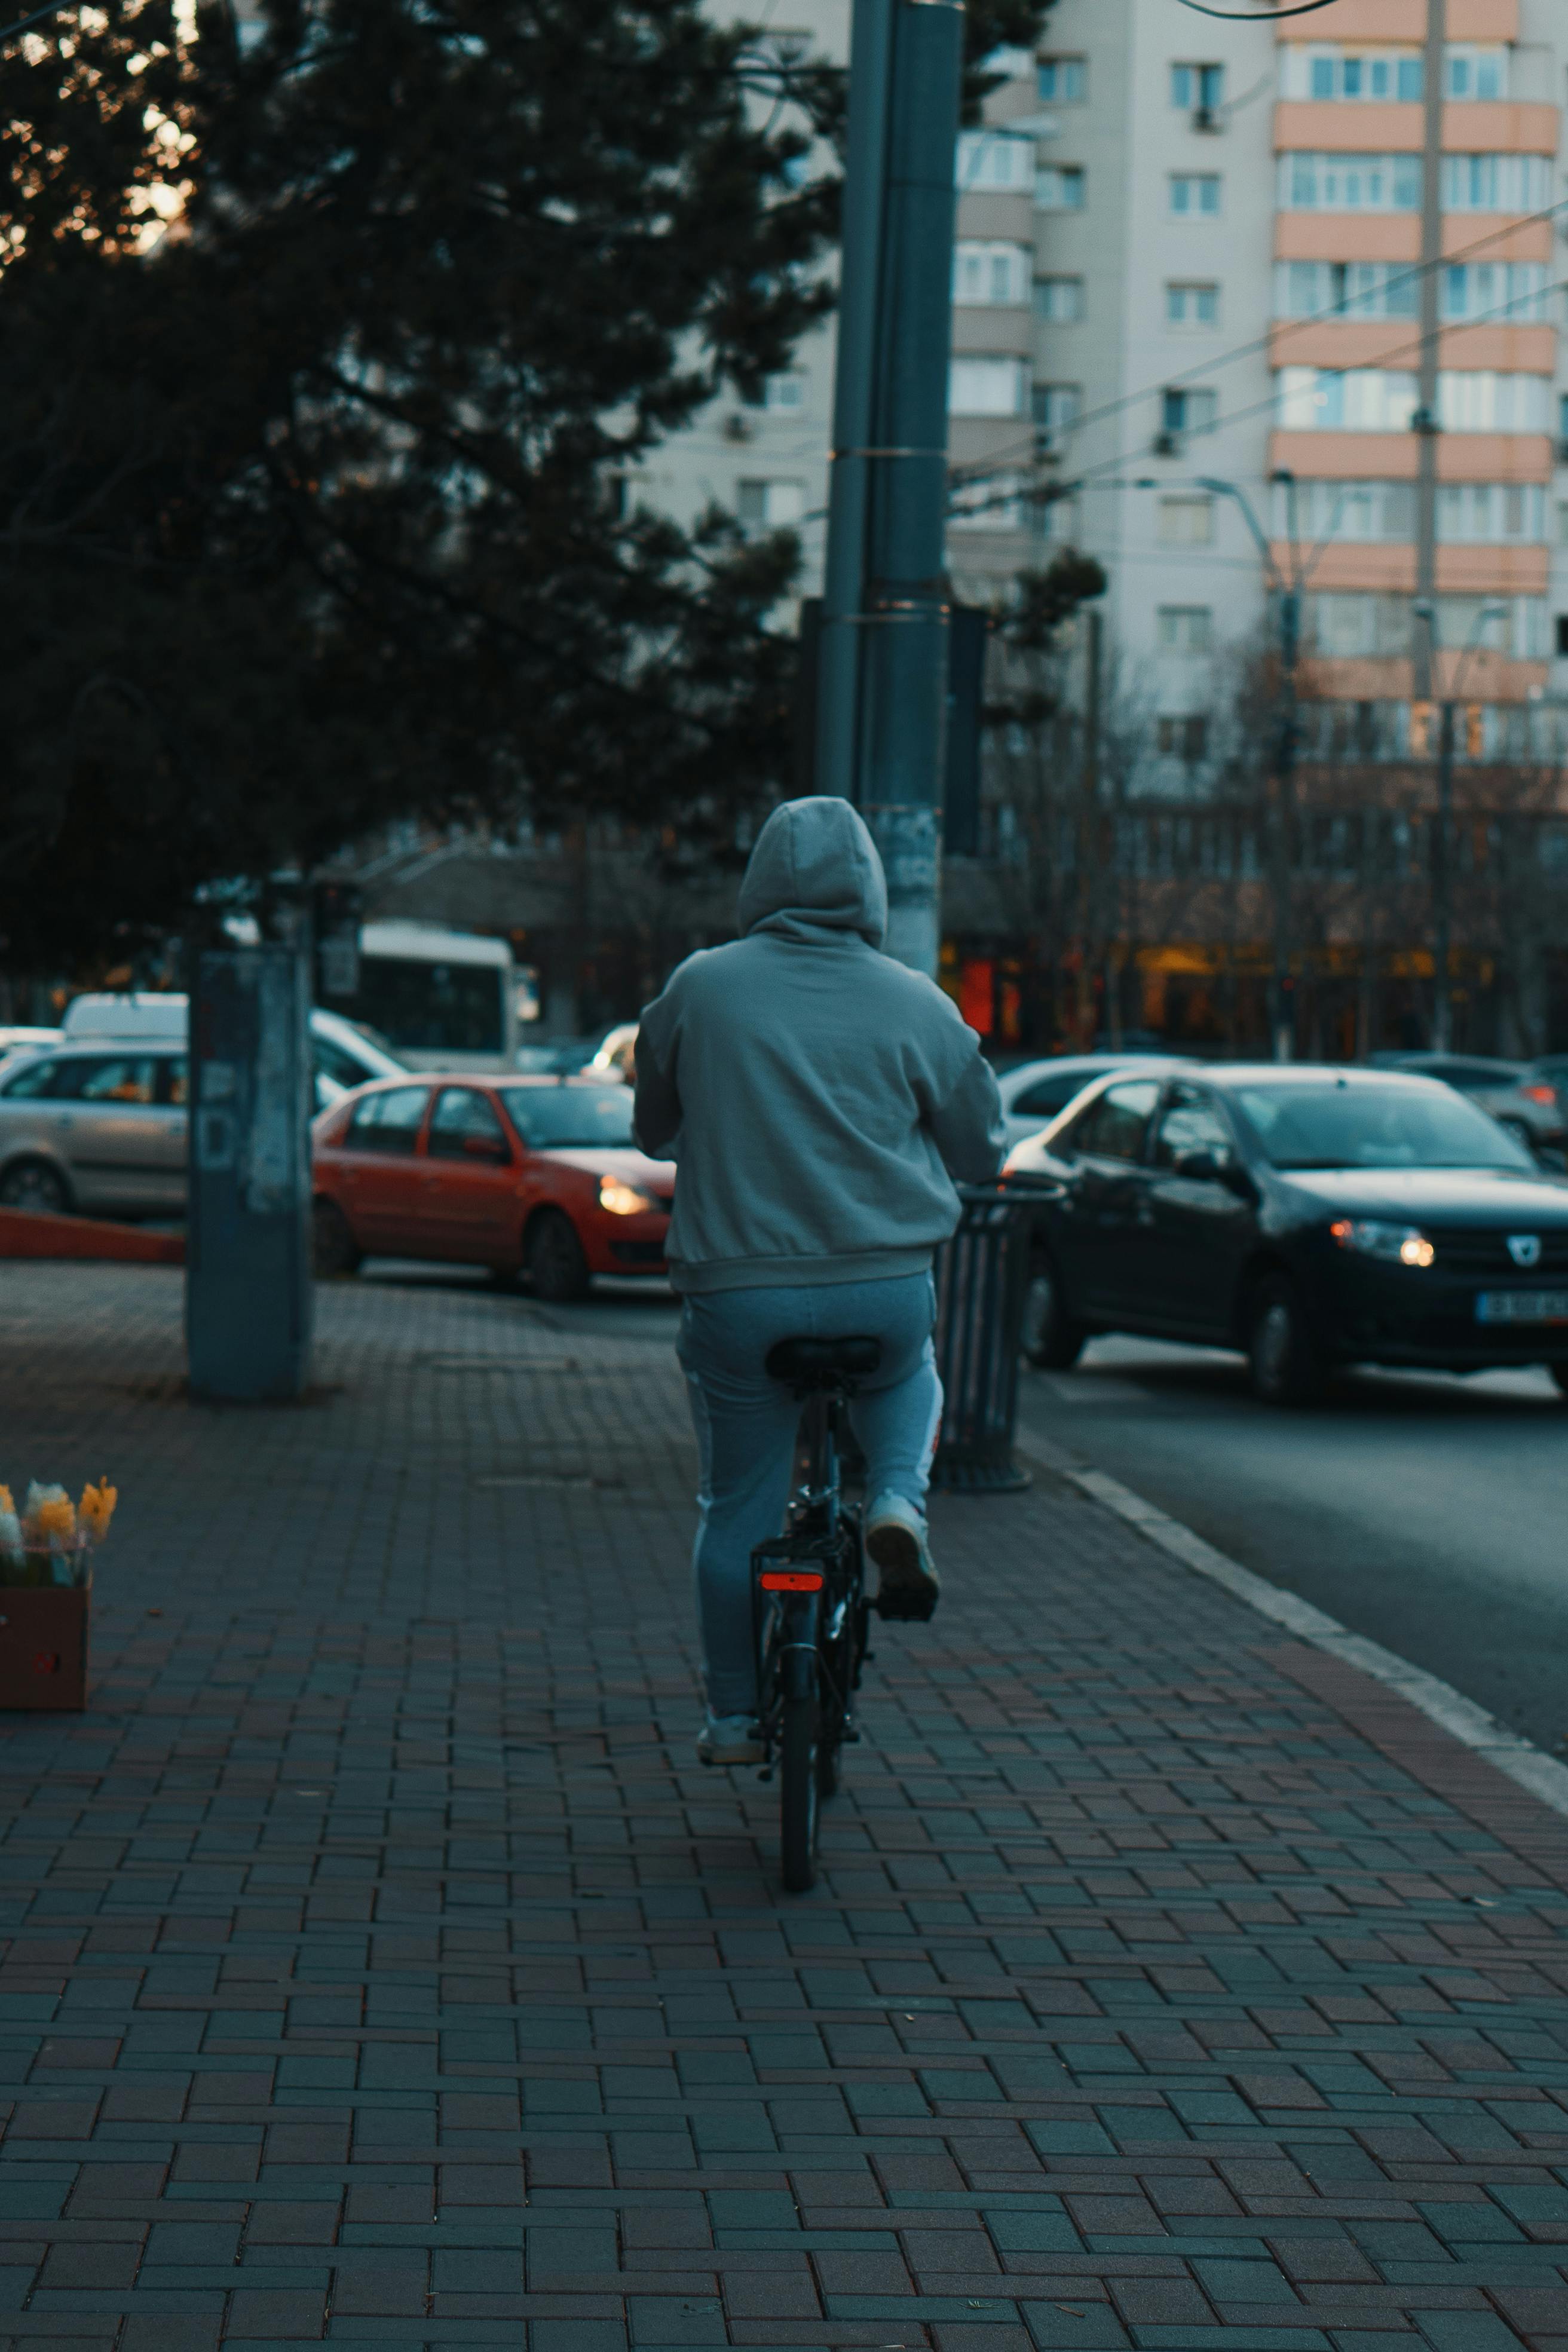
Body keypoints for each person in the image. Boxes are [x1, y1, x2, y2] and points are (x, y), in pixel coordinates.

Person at [633, 795, 1005, 1765]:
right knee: (904, 1370)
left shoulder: (702, 987)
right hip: (880, 1283)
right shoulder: (917, 1001)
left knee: (737, 1508)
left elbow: (652, 1123)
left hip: (736, 1292)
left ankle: (730, 1716)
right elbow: (980, 1148)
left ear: (759, 881)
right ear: (872, 885)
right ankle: (895, 1505)